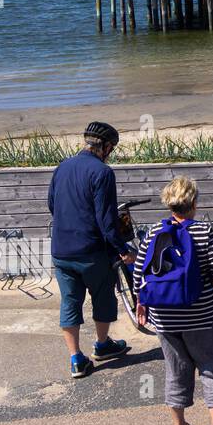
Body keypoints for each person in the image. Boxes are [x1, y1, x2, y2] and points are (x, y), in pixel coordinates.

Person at [134, 177, 213, 425]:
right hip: (200, 315)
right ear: (193, 202)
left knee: (176, 370)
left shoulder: (154, 231)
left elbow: (139, 274)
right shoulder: (203, 232)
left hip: (164, 317)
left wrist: (140, 302)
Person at [48, 121, 132, 378]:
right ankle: (103, 345)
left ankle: (76, 359)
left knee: (70, 301)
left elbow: (51, 204)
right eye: (112, 148)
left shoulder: (62, 167)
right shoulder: (102, 173)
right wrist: (122, 249)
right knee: (103, 296)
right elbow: (107, 221)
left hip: (61, 250)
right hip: (91, 251)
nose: (111, 153)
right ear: (106, 146)